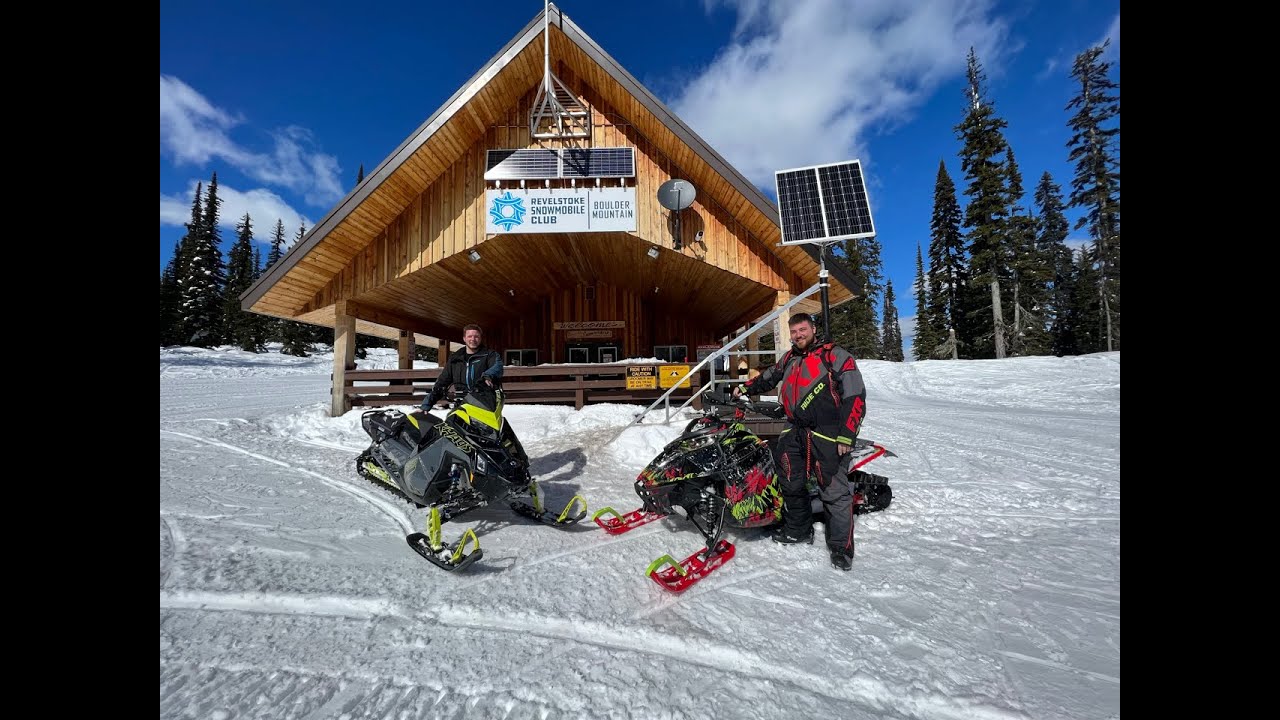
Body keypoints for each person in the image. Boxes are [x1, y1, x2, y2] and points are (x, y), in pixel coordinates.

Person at [734, 313, 867, 571]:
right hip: (794, 429)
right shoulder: (790, 358)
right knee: (791, 482)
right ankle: (799, 530)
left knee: (834, 491)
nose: (798, 335)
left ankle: (840, 547)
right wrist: (746, 387)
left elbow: (855, 396)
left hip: (827, 433)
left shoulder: (836, 356)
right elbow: (769, 376)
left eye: (802, 330)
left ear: (813, 329)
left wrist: (847, 434)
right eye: (794, 331)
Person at [422, 324, 504, 410]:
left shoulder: (489, 355)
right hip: (461, 404)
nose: (473, 339)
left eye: (476, 336)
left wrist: (487, 376)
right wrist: (426, 405)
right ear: (464, 338)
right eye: (470, 336)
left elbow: (497, 367)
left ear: (480, 338)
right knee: (450, 421)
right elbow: (442, 382)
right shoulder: (455, 359)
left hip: (485, 404)